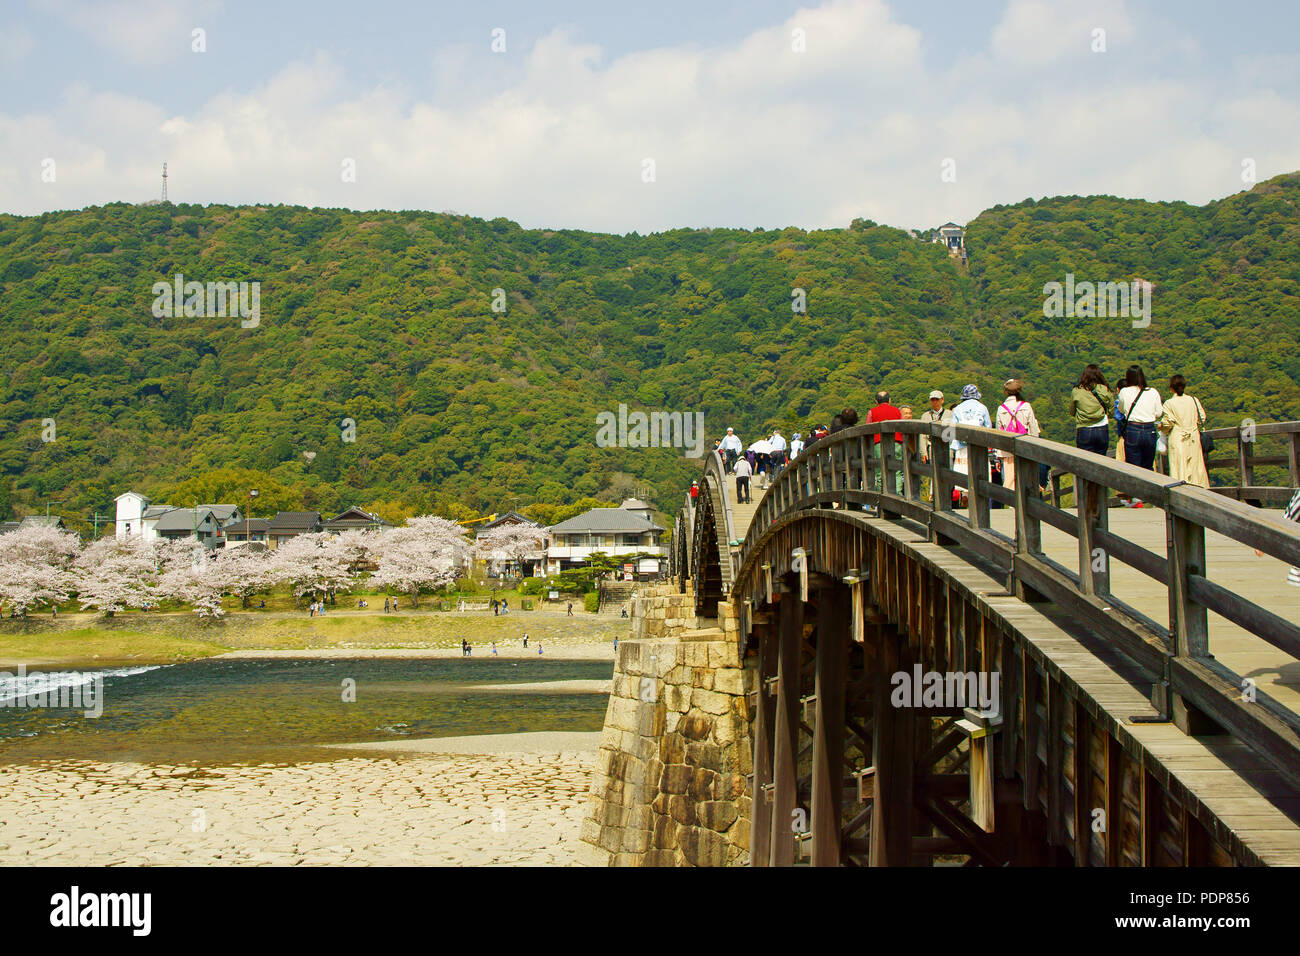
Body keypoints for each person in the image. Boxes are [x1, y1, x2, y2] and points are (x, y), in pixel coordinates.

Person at [1118, 365, 1164, 503]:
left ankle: (1136, 496)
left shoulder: (1124, 392)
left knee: (1133, 465)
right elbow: (1159, 413)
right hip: (1149, 429)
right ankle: (1149, 495)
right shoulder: (1153, 392)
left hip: (1133, 429)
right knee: (1148, 464)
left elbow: (1121, 409)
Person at [1159, 374, 1210, 488]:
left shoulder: (1169, 403)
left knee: (1179, 467)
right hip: (1193, 437)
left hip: (1178, 438)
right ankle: (1200, 492)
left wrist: (1161, 427)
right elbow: (1202, 416)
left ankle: (1181, 492)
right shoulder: (1193, 400)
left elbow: (1168, 423)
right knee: (1196, 468)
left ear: (1171, 388)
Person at [994, 379, 1041, 492]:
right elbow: (1033, 428)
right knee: (1025, 476)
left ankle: (1012, 505)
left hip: (1007, 446)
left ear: (1006, 392)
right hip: (1025, 444)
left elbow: (998, 431)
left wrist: (998, 455)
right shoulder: (1026, 406)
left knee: (1009, 479)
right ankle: (1025, 503)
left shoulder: (1001, 409)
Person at [950, 385, 992, 503]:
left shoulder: (958, 409)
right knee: (979, 470)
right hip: (979, 445)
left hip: (962, 445)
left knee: (963, 470)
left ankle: (965, 493)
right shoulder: (982, 408)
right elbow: (988, 426)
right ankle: (978, 495)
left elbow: (953, 428)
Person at [1069, 364, 1112, 457]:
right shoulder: (1104, 389)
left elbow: (1072, 412)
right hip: (1102, 428)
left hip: (1084, 429)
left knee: (1085, 462)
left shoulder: (1076, 390)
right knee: (1102, 461)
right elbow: (1111, 409)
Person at [867, 392, 904, 494]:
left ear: (876, 401)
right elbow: (902, 426)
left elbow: (867, 429)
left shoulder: (872, 412)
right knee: (897, 470)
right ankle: (897, 496)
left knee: (880, 472)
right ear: (890, 400)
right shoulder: (897, 411)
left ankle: (882, 495)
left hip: (878, 443)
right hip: (896, 442)